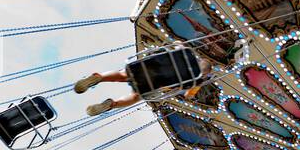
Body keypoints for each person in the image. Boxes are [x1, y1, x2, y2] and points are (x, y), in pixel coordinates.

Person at [74, 49, 211, 117]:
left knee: (123, 74)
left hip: (147, 67)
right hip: (154, 82)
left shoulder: (186, 52)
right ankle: (112, 104)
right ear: (204, 72)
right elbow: (185, 93)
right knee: (135, 96)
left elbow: (165, 49)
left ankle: (99, 77)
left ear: (199, 60)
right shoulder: (196, 79)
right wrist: (200, 82)